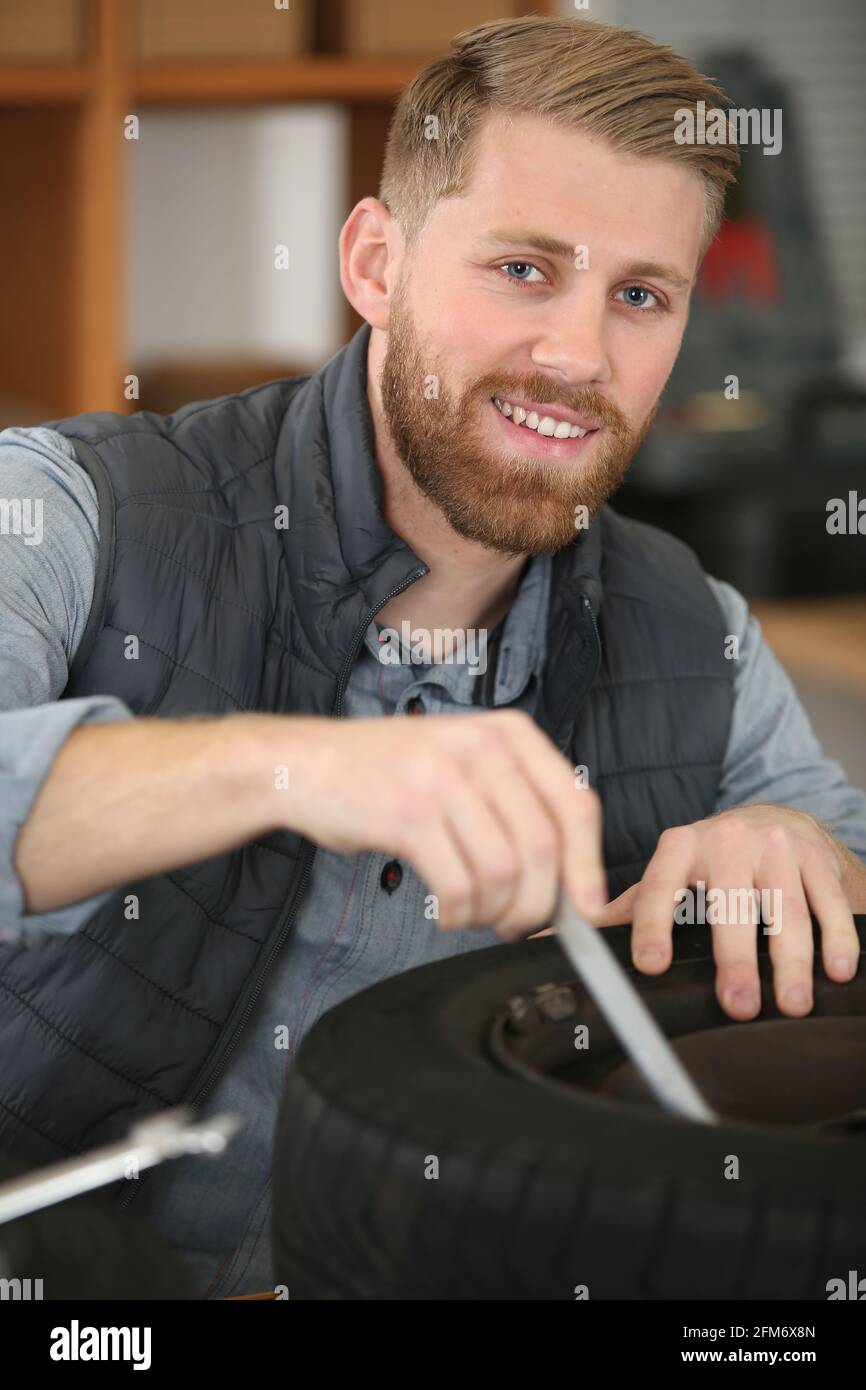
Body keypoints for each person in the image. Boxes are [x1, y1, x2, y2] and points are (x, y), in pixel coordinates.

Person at [1, 14, 864, 1298]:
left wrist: (805, 864)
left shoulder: (704, 639)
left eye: (640, 294)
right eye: (522, 268)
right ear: (372, 261)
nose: (577, 357)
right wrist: (302, 770)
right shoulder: (68, 506)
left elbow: (838, 922)